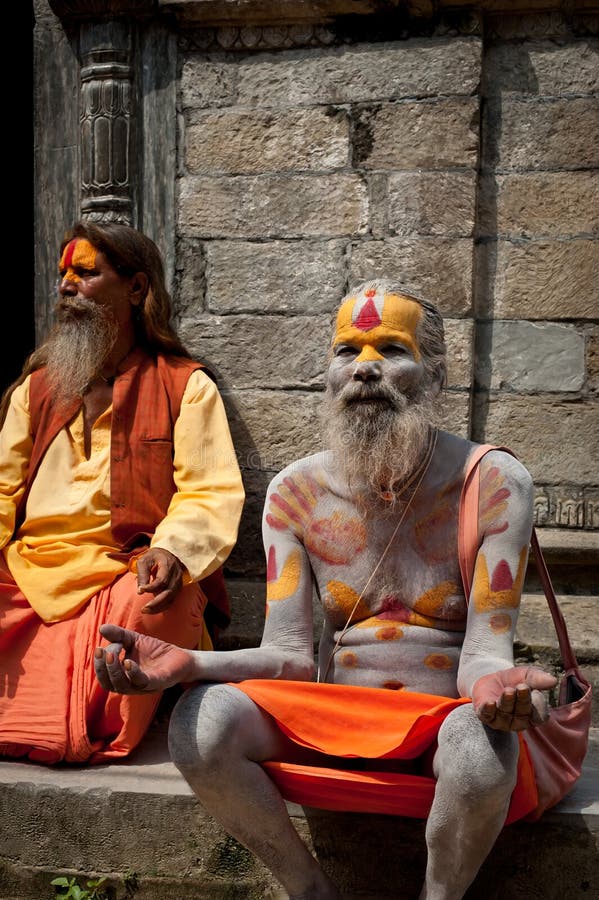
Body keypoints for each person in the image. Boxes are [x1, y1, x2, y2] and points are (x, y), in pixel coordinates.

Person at [94, 279, 557, 899]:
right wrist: (189, 664)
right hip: (332, 720)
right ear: (328, 374)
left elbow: (483, 652)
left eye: (391, 349)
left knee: (481, 748)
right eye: (348, 352)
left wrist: (497, 689)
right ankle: (309, 889)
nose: (366, 369)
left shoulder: (494, 483)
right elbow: (288, 656)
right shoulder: (294, 495)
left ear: (435, 374)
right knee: (197, 723)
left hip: (444, 723)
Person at [0, 220, 244, 765]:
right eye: (64, 274)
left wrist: (173, 550)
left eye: (85, 273)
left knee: (158, 601)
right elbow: (2, 486)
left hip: (123, 570)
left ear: (136, 289)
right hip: (29, 570)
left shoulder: (185, 384)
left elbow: (209, 491)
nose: (66, 286)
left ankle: (88, 727)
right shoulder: (36, 388)